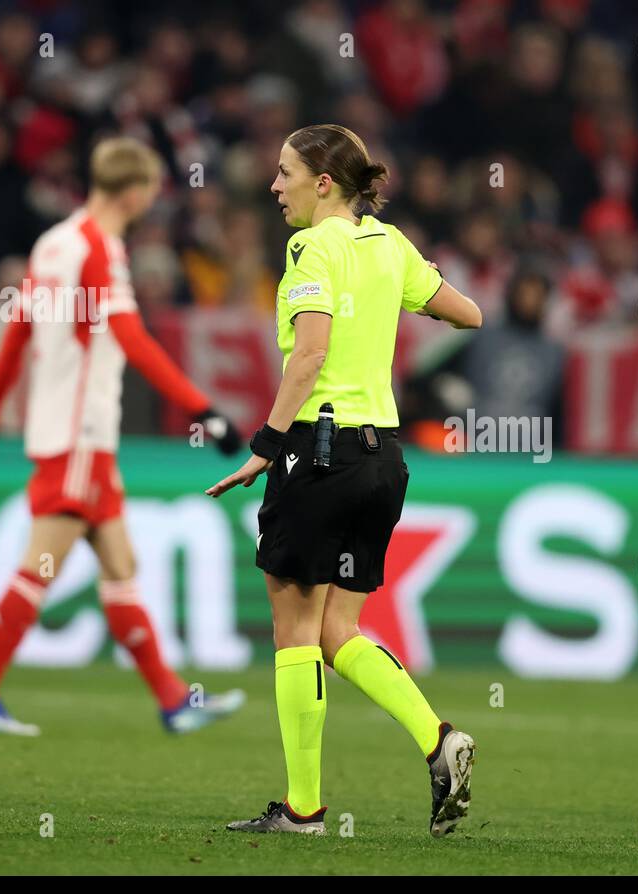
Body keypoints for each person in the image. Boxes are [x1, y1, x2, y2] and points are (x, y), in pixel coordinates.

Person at [206, 124, 483, 837]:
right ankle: (438, 738)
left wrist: (265, 446)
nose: (275, 187)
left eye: (284, 172)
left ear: (323, 183)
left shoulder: (311, 246)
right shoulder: (389, 245)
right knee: (340, 629)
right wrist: (394, 291)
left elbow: (311, 353)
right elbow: (468, 313)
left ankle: (303, 810)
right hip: (382, 460)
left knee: (294, 630)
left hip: (318, 452)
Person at [0, 137, 247, 737]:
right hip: (81, 435)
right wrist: (204, 410)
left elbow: (17, 335)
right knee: (41, 564)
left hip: (67, 431)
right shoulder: (100, 248)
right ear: (136, 192)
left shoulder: (52, 242)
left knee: (121, 564)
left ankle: (172, 699)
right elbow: (132, 337)